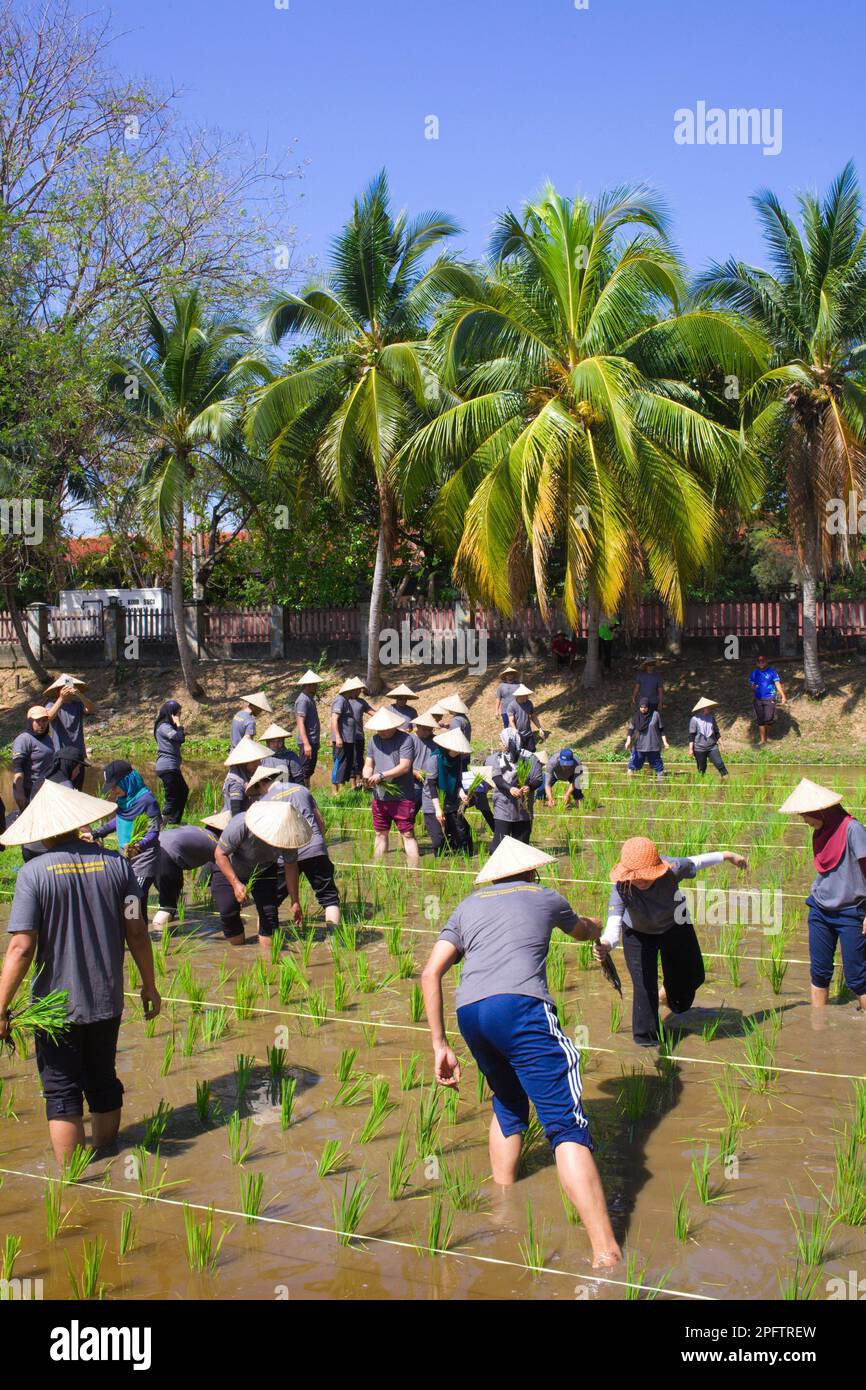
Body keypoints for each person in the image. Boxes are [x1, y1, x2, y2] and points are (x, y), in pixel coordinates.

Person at [420, 836, 621, 1270]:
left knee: (509, 1104)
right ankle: (606, 1252)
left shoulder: (468, 906)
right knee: (567, 1125)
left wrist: (440, 1045)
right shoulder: (543, 895)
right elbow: (582, 929)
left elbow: (430, 972)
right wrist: (597, 932)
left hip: (471, 1014)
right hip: (521, 1008)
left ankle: (503, 1206)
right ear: (530, 871)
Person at [0, 781, 159, 1163]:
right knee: (103, 1078)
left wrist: (1, 1005)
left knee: (61, 1090)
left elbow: (22, 948)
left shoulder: (34, 874)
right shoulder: (120, 867)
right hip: (107, 999)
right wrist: (150, 985)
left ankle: (74, 1181)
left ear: (44, 831)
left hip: (56, 1008)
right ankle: (108, 1157)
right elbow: (136, 930)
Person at [595, 835, 747, 1046]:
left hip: (675, 924)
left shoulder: (672, 868)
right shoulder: (621, 888)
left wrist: (729, 856)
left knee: (694, 976)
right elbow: (613, 925)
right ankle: (647, 1044)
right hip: (638, 934)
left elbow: (698, 861)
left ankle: (666, 996)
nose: (638, 880)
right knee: (644, 988)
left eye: (644, 876)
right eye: (634, 876)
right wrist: (606, 944)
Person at [778, 778, 866, 1014]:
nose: (804, 820)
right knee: (819, 972)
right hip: (819, 910)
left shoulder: (852, 829)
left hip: (851, 912)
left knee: (857, 977)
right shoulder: (821, 832)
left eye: (806, 815)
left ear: (822, 811)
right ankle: (819, 1026)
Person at [213, 799, 311, 955]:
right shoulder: (241, 824)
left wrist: (295, 900)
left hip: (263, 870)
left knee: (269, 914)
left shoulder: (288, 837)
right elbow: (219, 854)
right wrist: (236, 884)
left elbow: (291, 866)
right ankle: (238, 956)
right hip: (230, 868)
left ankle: (267, 960)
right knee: (228, 912)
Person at [263, 778, 342, 930]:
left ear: (261, 784)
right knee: (329, 898)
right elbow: (320, 821)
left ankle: (266, 947)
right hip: (314, 846)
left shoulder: (265, 800)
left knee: (269, 902)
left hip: (284, 854)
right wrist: (320, 845)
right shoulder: (301, 789)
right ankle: (333, 941)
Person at [92, 761, 162, 908]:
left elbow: (154, 832)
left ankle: (137, 930)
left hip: (144, 858)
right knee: (133, 901)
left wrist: (138, 845)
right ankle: (138, 929)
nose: (113, 791)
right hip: (126, 856)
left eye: (115, 786)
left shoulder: (147, 800)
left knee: (133, 899)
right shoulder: (123, 799)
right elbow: (120, 820)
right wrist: (97, 833)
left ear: (127, 781)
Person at [363, 706, 421, 868]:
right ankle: (378, 869)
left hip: (402, 795)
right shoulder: (374, 740)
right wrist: (366, 776)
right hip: (380, 796)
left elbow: (404, 767)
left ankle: (414, 871)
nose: (381, 732)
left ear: (393, 726)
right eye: (378, 729)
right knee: (380, 833)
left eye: (384, 729)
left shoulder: (405, 740)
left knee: (407, 833)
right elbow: (369, 764)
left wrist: (381, 775)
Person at [151, 817, 223, 930]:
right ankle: (160, 937)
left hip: (151, 852)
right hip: (167, 858)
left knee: (164, 899)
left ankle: (157, 933)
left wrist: (201, 884)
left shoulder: (195, 830)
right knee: (167, 907)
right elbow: (224, 869)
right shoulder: (216, 843)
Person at [484, 729, 543, 850]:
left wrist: (529, 787)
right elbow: (497, 779)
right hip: (503, 805)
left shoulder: (530, 758)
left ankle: (523, 869)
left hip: (524, 806)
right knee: (499, 844)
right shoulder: (495, 758)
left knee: (521, 845)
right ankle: (498, 867)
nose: (500, 744)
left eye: (502, 742)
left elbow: (537, 779)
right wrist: (510, 789)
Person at [44, 675, 94, 789]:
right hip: (61, 755)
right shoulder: (51, 705)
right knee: (62, 789)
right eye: (64, 688)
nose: (68, 690)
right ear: (58, 690)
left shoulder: (77, 705)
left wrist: (79, 694)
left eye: (69, 687)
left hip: (78, 755)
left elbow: (91, 709)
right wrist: (61, 698)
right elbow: (48, 717)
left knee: (77, 789)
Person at [431, 728, 474, 856]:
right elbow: (431, 785)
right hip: (436, 801)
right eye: (457, 749)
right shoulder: (435, 758)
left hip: (452, 800)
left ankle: (463, 857)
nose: (459, 751)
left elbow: (458, 782)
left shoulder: (458, 759)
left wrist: (462, 793)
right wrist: (438, 809)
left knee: (462, 831)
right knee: (440, 839)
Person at [11, 705, 55, 812]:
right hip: (29, 790)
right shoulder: (24, 739)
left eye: (44, 721)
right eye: (38, 721)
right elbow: (18, 768)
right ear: (30, 721)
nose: (42, 724)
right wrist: (20, 794)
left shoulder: (47, 738)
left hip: (45, 787)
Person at [153, 700, 188, 823]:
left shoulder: (167, 726)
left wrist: (178, 726)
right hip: (167, 767)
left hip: (172, 766)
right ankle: (160, 824)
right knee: (172, 797)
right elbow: (180, 738)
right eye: (178, 714)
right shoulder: (164, 727)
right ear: (171, 713)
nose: (179, 716)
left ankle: (174, 821)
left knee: (183, 791)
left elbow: (178, 737)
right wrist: (179, 724)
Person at [221, 736, 270, 817]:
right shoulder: (236, 782)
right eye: (254, 762)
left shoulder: (249, 774)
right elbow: (235, 813)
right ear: (244, 763)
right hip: (235, 821)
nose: (258, 764)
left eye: (259, 760)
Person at [330, 677, 366, 788]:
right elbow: (334, 719)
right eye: (356, 689)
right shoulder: (340, 700)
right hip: (342, 739)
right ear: (350, 690)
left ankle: (341, 789)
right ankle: (335, 790)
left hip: (348, 739)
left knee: (346, 764)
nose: (358, 692)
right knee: (339, 763)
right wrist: (337, 737)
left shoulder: (345, 701)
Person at [625, 699, 669, 781]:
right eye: (641, 707)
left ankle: (661, 784)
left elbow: (661, 730)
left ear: (648, 707)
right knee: (634, 764)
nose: (643, 709)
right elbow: (630, 730)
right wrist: (628, 741)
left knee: (658, 767)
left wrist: (665, 742)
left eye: (645, 707)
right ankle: (629, 783)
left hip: (652, 745)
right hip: (639, 745)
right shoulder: (636, 716)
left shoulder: (655, 715)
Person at [750, 653, 786, 746]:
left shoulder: (772, 672)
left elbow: (777, 684)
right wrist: (753, 686)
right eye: (759, 661)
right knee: (760, 720)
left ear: (766, 662)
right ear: (757, 663)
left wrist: (783, 695)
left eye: (763, 661)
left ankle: (767, 735)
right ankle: (763, 740)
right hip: (758, 699)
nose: (761, 663)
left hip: (770, 698)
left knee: (769, 719)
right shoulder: (754, 673)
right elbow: (752, 684)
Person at [294, 671, 324, 783]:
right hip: (307, 741)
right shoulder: (302, 700)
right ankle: (304, 793)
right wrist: (306, 744)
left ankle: (308, 792)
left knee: (309, 769)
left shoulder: (309, 699)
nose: (317, 687)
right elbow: (300, 722)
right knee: (305, 770)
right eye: (315, 684)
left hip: (312, 740)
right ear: (309, 685)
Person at [688, 698, 728, 778]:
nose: (710, 709)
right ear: (702, 708)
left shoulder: (711, 718)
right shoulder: (694, 719)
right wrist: (690, 749)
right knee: (702, 768)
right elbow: (692, 736)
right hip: (699, 748)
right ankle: (702, 785)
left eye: (710, 707)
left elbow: (716, 733)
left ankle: (725, 781)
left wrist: (722, 745)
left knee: (720, 764)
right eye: (708, 707)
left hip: (712, 746)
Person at [346, 680, 373, 787]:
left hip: (359, 735)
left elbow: (372, 712)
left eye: (359, 690)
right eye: (356, 690)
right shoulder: (344, 701)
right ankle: (352, 785)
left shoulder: (362, 702)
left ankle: (360, 782)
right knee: (350, 759)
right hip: (347, 736)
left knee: (359, 759)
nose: (358, 692)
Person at [505, 684, 546, 752]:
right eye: (525, 695)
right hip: (517, 734)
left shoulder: (529, 703)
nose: (527, 697)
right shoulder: (512, 705)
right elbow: (511, 721)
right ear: (519, 696)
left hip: (528, 733)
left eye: (527, 695)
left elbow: (533, 716)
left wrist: (540, 728)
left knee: (532, 750)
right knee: (520, 753)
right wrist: (516, 733)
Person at [494, 664, 520, 729]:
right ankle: (508, 739)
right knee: (507, 728)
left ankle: (518, 739)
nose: (510, 675)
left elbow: (523, 698)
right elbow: (498, 698)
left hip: (516, 710)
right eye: (508, 674)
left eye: (511, 673)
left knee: (517, 727)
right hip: (505, 711)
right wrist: (496, 711)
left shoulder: (518, 685)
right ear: (505, 675)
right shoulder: (501, 686)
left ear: (513, 675)